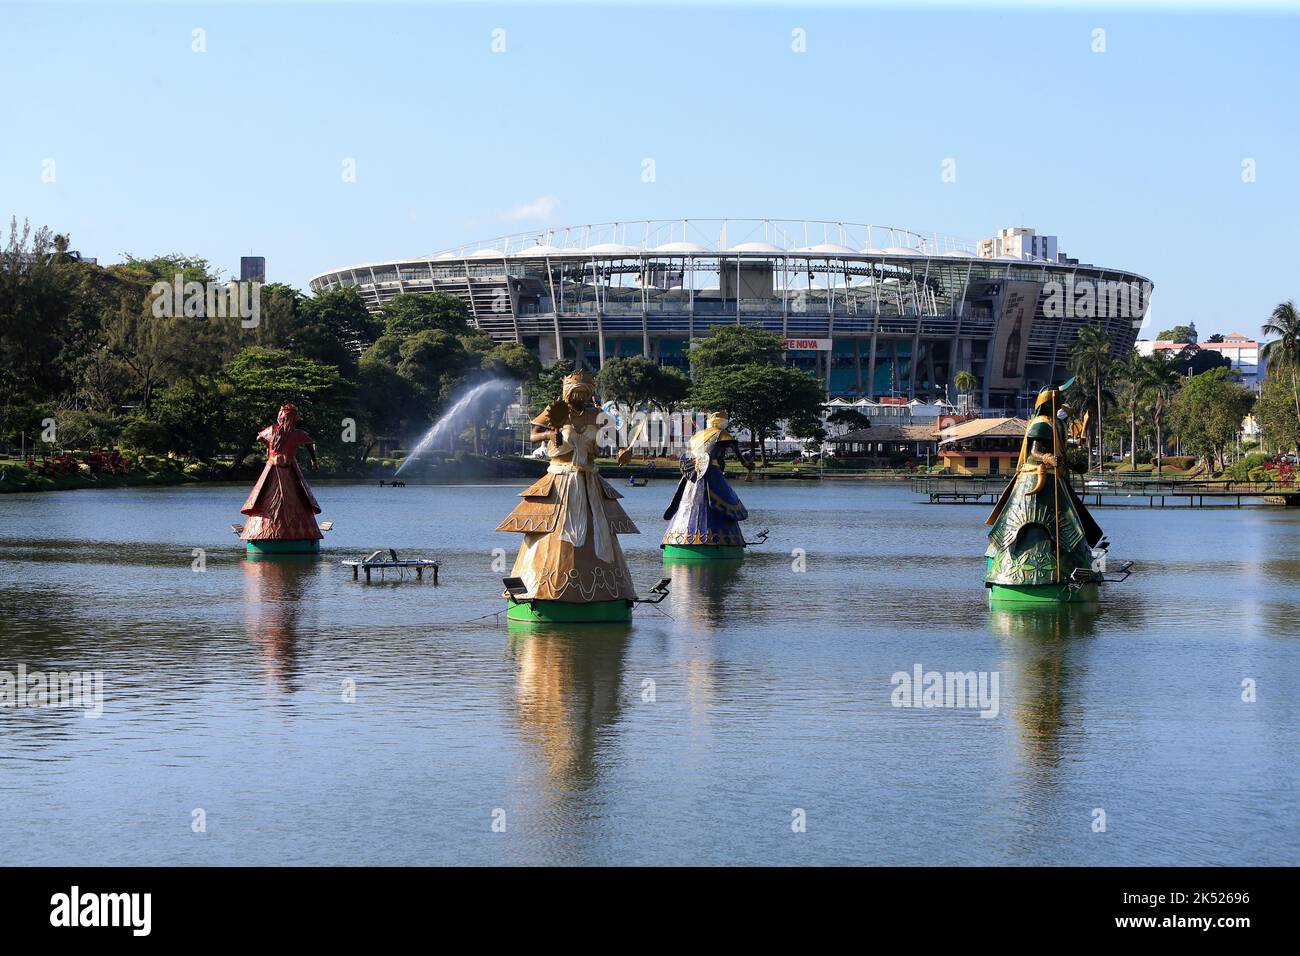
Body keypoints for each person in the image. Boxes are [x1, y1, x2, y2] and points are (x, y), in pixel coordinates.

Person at [496, 368, 638, 603]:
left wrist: (624, 452)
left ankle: (605, 593)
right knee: (554, 533)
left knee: (597, 531)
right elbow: (533, 435)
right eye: (574, 393)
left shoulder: (599, 416)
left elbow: (618, 441)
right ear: (567, 392)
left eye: (583, 394)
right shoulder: (556, 412)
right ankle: (543, 588)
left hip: (589, 481)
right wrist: (549, 436)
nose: (578, 398)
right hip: (561, 480)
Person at [661, 412, 754, 554]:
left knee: (686, 504)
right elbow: (739, 454)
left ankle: (679, 541)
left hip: (692, 476)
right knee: (724, 501)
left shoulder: (696, 436)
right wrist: (747, 464)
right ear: (723, 422)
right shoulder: (722, 434)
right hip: (712, 472)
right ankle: (716, 542)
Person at [240, 403, 322, 544]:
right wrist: (314, 461)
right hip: (288, 467)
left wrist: (269, 445)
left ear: (280, 417)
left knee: (269, 497)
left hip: (273, 466)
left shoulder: (272, 430)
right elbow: (309, 444)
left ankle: (263, 533)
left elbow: (259, 438)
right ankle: (295, 535)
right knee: (291, 497)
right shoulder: (297, 434)